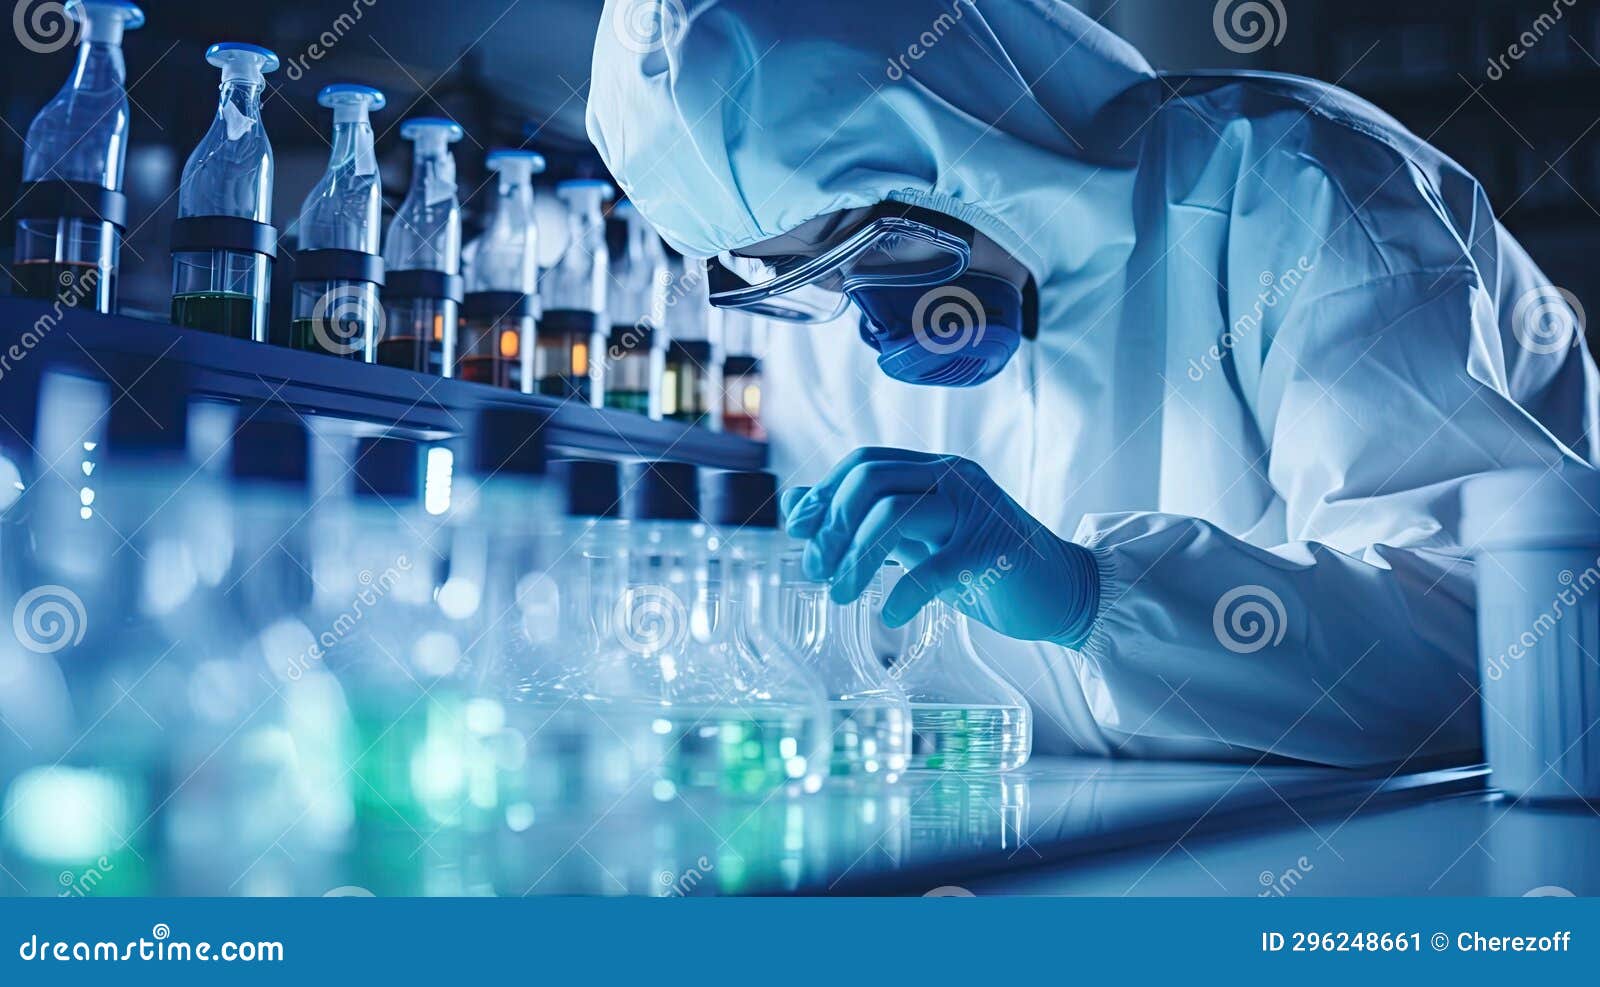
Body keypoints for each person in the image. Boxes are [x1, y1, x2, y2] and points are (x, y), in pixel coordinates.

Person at [586, 0, 1600, 767]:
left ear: (972, 133)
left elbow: (1497, 649)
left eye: (877, 244)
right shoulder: (817, 344)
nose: (874, 325)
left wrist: (1093, 596)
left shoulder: (1303, 190)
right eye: (804, 275)